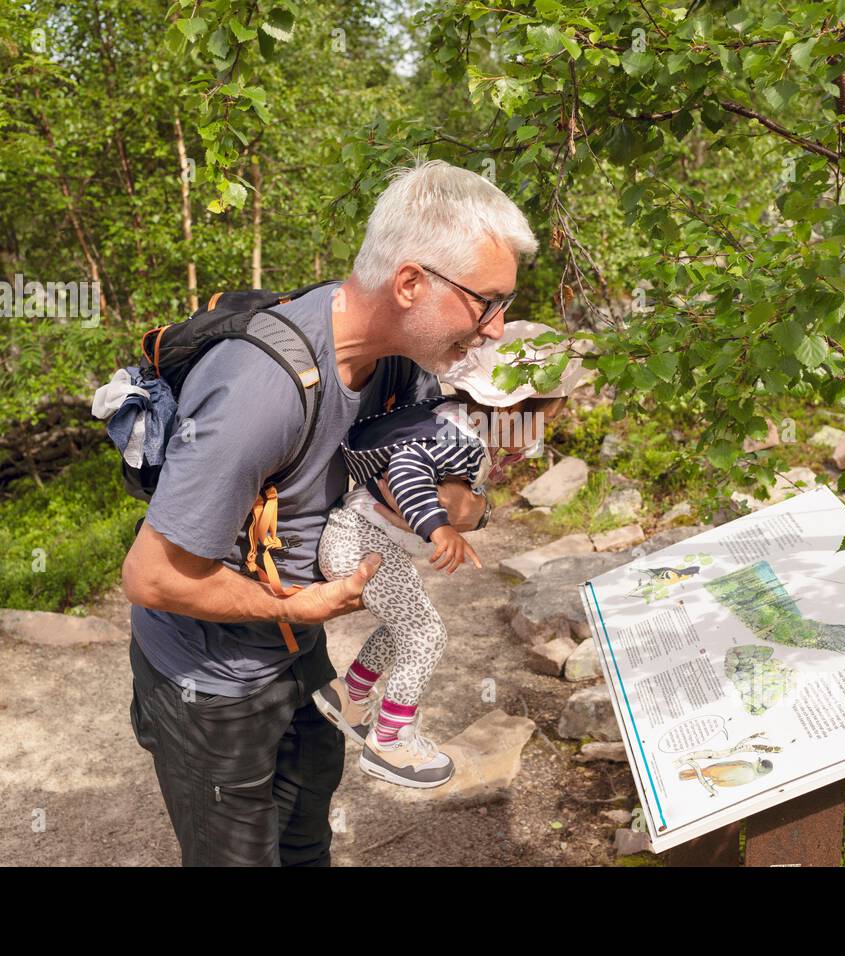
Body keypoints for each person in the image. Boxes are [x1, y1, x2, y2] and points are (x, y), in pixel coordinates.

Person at [120, 159, 538, 866]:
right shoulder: (261, 390)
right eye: (487, 302)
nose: (496, 329)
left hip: (297, 656)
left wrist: (467, 499)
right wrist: (304, 607)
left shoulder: (399, 362)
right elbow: (151, 577)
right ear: (410, 284)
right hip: (210, 681)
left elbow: (442, 492)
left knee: (307, 840)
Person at [313, 359, 567, 788]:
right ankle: (390, 742)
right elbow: (407, 469)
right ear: (508, 410)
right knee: (427, 635)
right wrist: (439, 526)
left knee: (406, 629)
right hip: (362, 543)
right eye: (538, 423)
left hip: (359, 538)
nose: (540, 436)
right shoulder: (460, 437)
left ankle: (349, 695)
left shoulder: (452, 419)